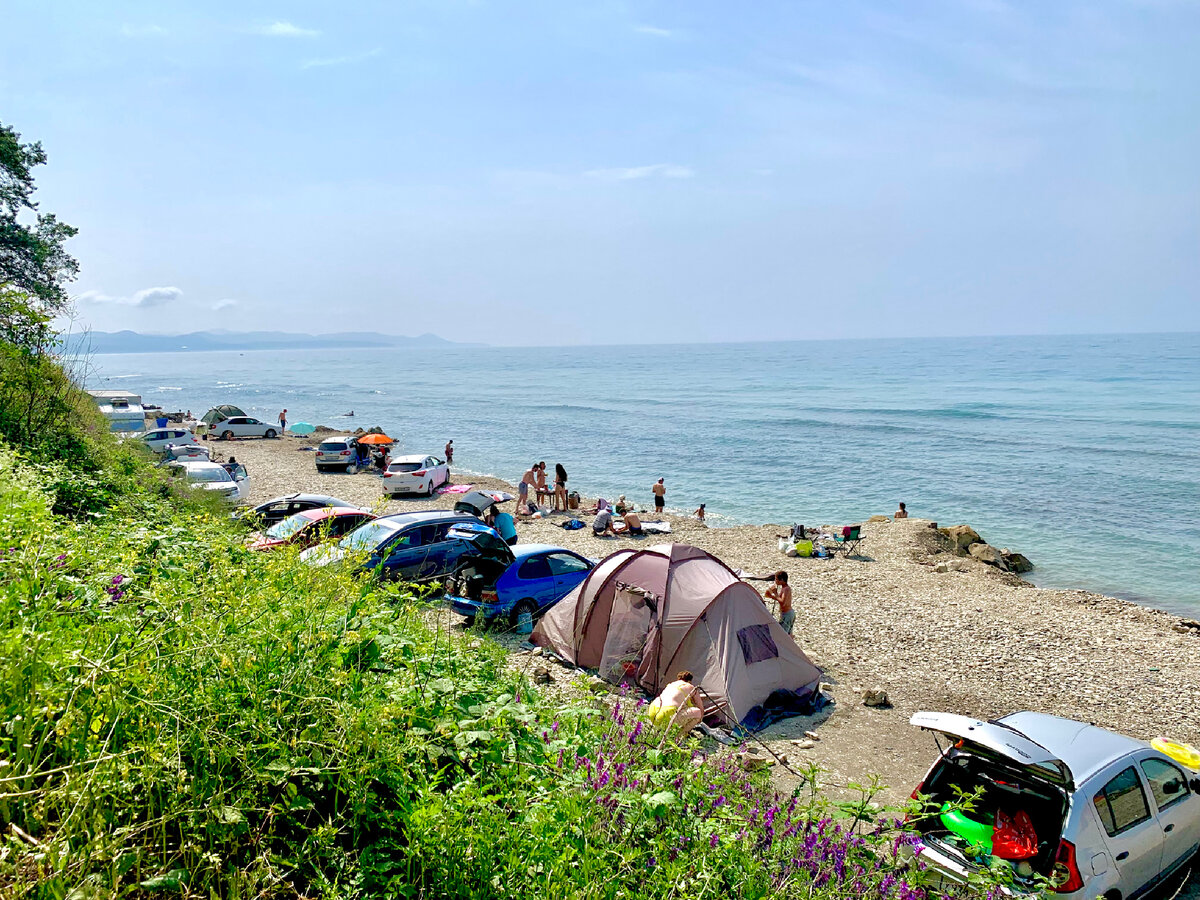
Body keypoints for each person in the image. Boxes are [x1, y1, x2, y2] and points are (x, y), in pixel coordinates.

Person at [646, 671, 704, 735]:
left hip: (653, 711)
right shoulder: (690, 687)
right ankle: (678, 736)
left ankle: (660, 731)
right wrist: (699, 719)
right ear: (689, 681)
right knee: (698, 712)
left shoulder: (671, 684)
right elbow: (700, 706)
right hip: (667, 713)